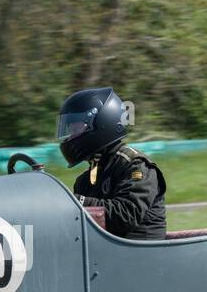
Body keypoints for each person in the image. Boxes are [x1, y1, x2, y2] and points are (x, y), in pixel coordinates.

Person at [56, 86, 167, 240]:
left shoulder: (135, 165)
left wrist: (76, 201)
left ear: (100, 123)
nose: (70, 136)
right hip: (104, 255)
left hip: (141, 255)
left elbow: (126, 215)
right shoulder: (84, 181)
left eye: (76, 128)